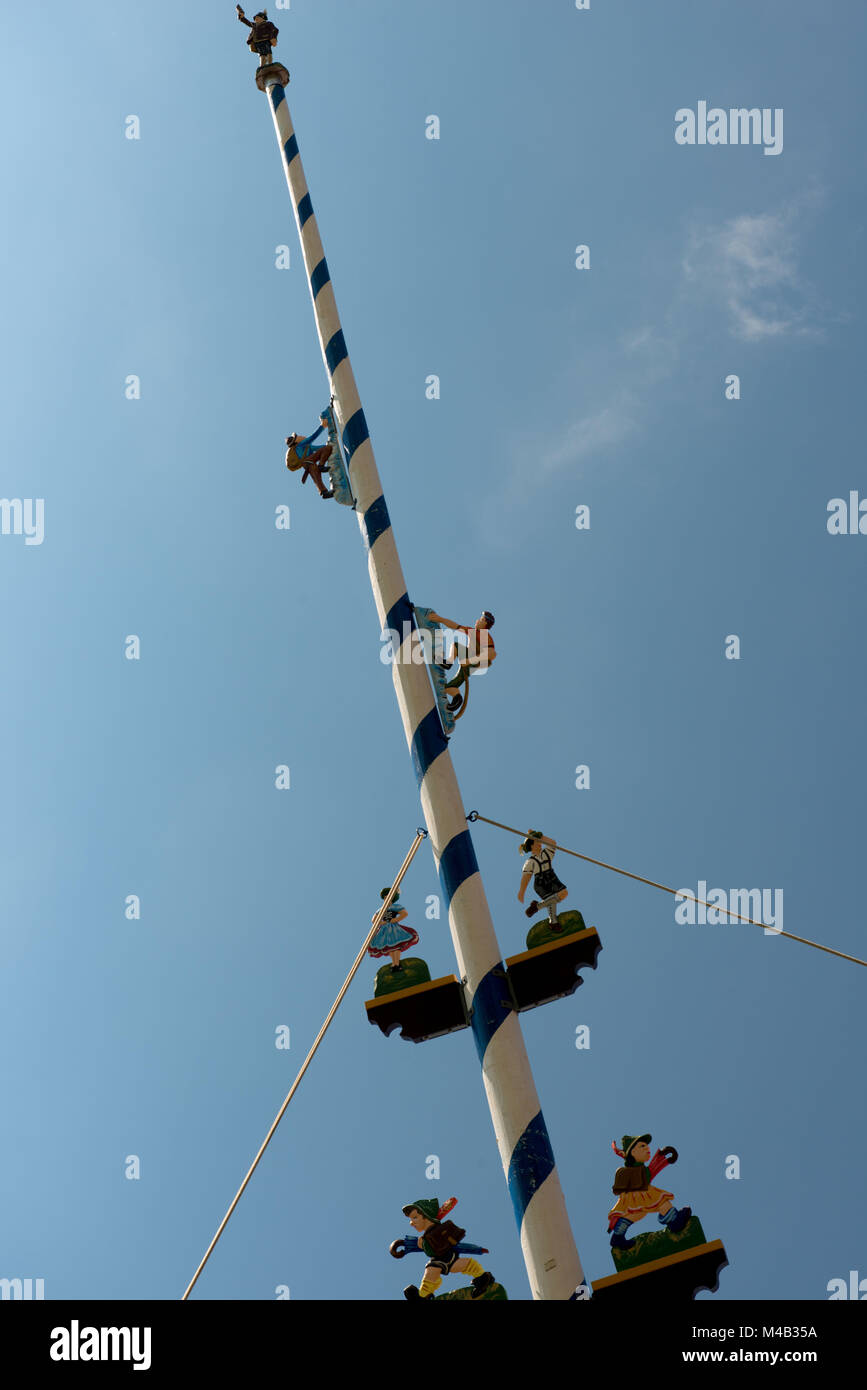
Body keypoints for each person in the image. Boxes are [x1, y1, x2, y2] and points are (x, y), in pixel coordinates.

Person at [398, 1198, 495, 1300]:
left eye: (414, 1217)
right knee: (434, 1273)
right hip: (442, 1259)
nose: (411, 1223)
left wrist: (424, 1245)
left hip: (446, 1258)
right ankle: (424, 1294)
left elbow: (434, 1249)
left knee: (460, 1266)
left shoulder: (436, 1233)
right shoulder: (426, 1236)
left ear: (425, 1217)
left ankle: (483, 1278)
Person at [608, 1135, 692, 1251]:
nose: (647, 1149)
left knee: (636, 1214)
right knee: (662, 1203)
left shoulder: (641, 1169)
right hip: (639, 1194)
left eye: (647, 1146)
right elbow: (620, 1187)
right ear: (632, 1152)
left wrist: (664, 1158)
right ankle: (674, 1221)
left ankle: (617, 1236)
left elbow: (651, 1171)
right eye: (642, 1146)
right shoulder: (626, 1171)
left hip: (641, 1194)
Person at [425, 610, 495, 713]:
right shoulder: (472, 631)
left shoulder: (485, 636)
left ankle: (448, 663)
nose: (477, 621)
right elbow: (455, 626)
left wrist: (471, 660)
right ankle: (457, 697)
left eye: (480, 619)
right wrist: (440, 619)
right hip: (467, 663)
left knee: (456, 645)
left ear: (484, 622)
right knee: (447, 688)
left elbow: (491, 654)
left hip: (474, 662)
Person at [517, 830, 568, 926]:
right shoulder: (530, 862)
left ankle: (537, 907)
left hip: (552, 878)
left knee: (563, 893)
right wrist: (521, 891)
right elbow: (526, 877)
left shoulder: (546, 853)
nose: (540, 844)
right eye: (537, 842)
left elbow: (553, 843)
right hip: (541, 883)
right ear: (531, 845)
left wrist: (540, 836)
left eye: (540, 842)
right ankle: (553, 922)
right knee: (551, 899)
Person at [368, 889, 419, 973]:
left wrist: (395, 920)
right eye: (385, 897)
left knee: (396, 945)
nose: (386, 899)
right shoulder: (380, 910)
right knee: (390, 947)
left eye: (388, 897)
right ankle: (394, 964)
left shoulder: (395, 907)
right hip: (384, 929)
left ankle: (397, 963)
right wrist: (381, 922)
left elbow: (404, 913)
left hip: (393, 928)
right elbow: (374, 920)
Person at [285, 421, 334, 499]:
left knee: (317, 478)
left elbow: (320, 449)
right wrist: (322, 426)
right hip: (309, 461)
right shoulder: (300, 445)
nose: (301, 436)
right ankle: (321, 465)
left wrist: (329, 445)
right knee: (328, 449)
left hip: (307, 465)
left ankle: (324, 492)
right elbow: (313, 437)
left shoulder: (307, 447)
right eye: (298, 436)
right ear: (296, 441)